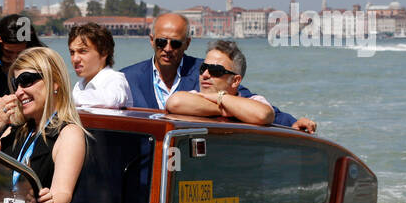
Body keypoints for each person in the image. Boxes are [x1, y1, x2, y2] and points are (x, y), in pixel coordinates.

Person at [121, 16, 317, 132]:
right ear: (151, 40)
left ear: (187, 44)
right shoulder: (126, 79)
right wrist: (228, 110)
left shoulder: (207, 70)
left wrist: (291, 123)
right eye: (162, 42)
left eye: (176, 43)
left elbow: (244, 97)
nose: (168, 49)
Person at [0, 46, 87, 203]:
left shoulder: (69, 134)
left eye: (26, 81)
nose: (18, 92)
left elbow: (62, 193)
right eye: (16, 84)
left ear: (55, 82)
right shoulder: (12, 131)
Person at [166, 42, 274, 125]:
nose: (205, 75)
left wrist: (221, 98)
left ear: (235, 81)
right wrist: (229, 110)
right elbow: (175, 102)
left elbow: (263, 115)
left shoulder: (253, 101)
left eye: (215, 70)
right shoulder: (194, 96)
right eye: (203, 68)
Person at [67, 21, 131, 109]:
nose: (75, 59)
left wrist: (66, 99)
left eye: (83, 51)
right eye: (72, 52)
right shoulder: (79, 85)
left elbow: (111, 100)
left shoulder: (115, 79)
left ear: (104, 52)